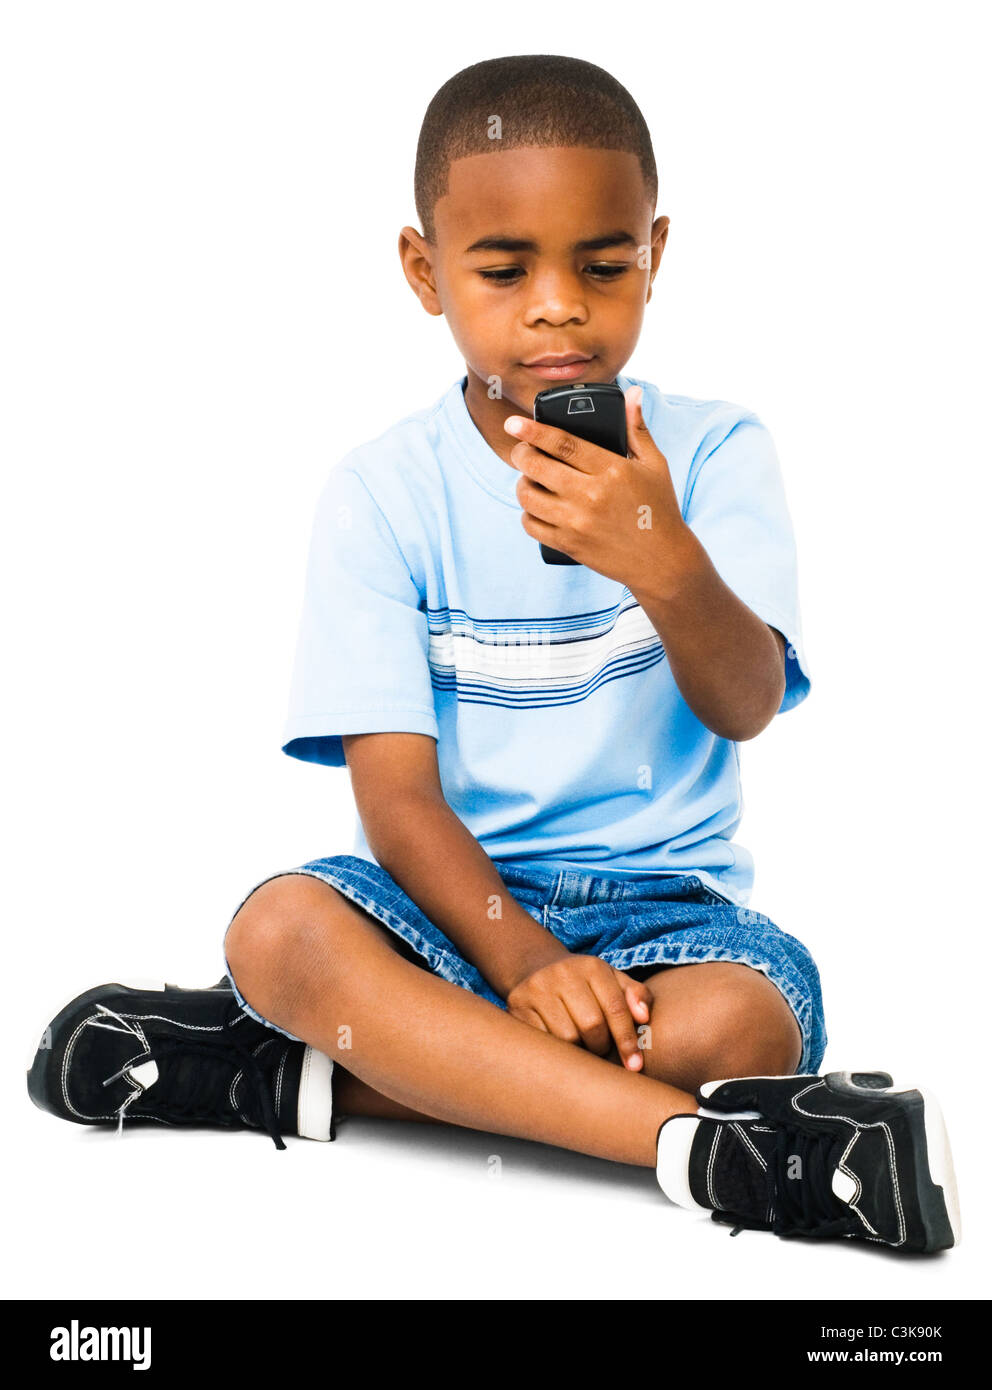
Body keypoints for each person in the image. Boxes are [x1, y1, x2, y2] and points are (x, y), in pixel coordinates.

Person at [28, 54, 960, 1254]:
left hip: (659, 923)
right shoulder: (383, 492)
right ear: (424, 271)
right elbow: (395, 796)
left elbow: (741, 706)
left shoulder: (718, 453)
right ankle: (708, 1151)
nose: (557, 306)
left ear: (655, 254)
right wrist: (516, 955)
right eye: (504, 268)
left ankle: (280, 1077)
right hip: (436, 909)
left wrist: (661, 557)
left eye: (603, 264)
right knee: (280, 934)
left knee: (743, 1032)